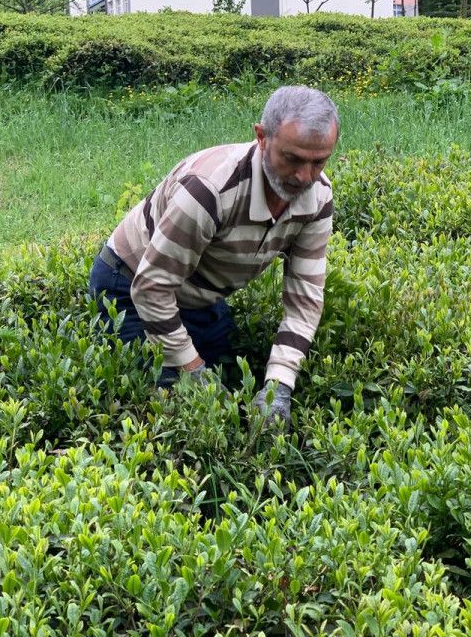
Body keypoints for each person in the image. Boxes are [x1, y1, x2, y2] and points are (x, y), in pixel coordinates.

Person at [89, 85, 338, 428]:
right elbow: (152, 288)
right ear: (262, 137)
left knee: (228, 379)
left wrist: (279, 385)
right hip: (130, 281)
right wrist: (191, 370)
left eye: (319, 161)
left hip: (198, 290)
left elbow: (305, 301)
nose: (304, 177)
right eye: (292, 159)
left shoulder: (319, 197)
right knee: (175, 405)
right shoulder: (210, 191)